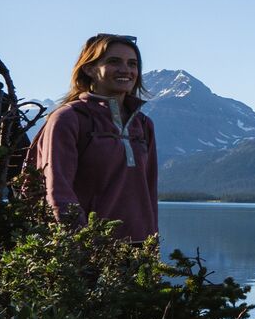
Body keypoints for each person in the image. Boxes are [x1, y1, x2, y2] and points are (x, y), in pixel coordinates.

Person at [29, 33, 159, 241]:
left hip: (138, 247)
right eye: (114, 62)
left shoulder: (142, 125)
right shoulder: (68, 119)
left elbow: (150, 193)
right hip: (88, 249)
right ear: (89, 69)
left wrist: (152, 244)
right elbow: (56, 190)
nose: (125, 70)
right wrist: (83, 244)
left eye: (132, 64)